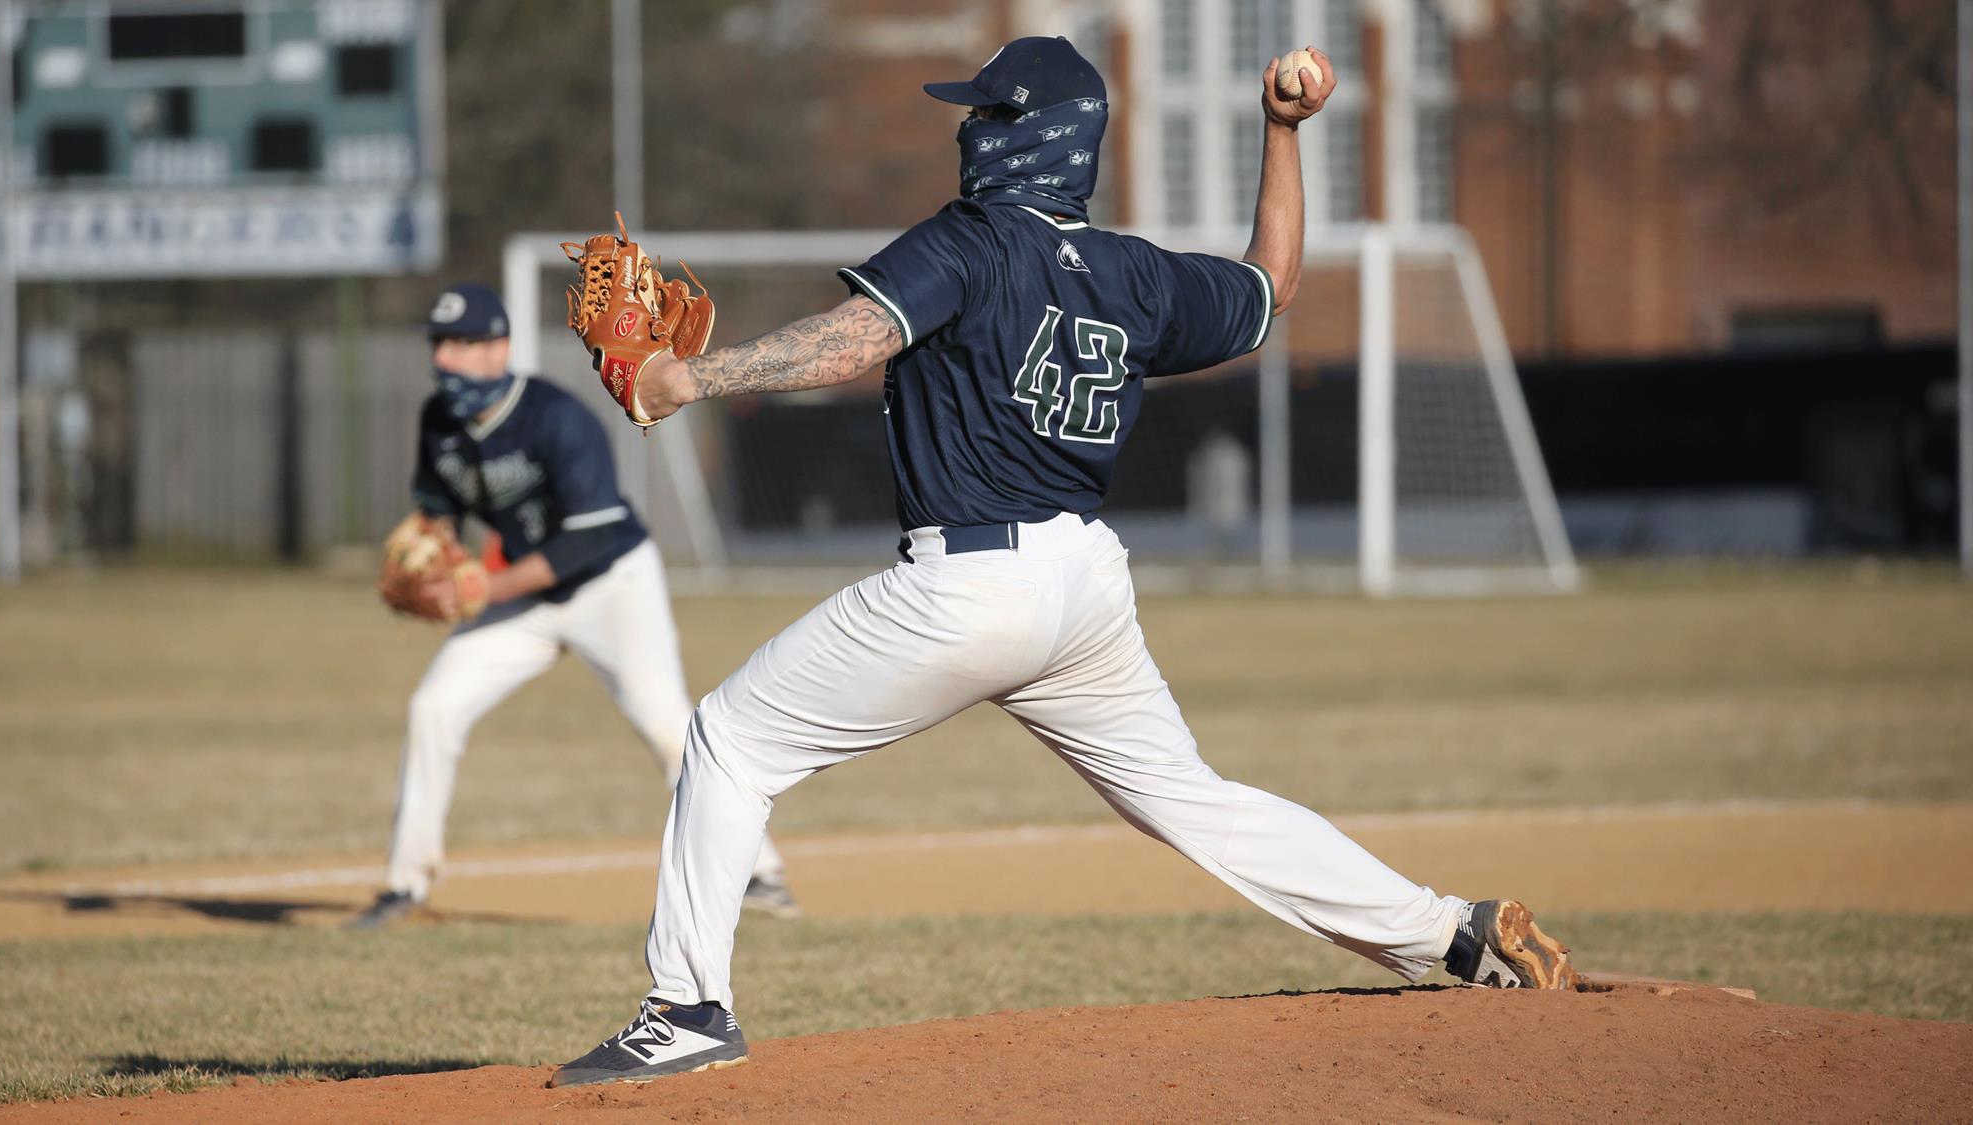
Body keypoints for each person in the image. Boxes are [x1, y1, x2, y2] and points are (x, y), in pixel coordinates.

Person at [549, 38, 1574, 1087]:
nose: (966, 128)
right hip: (1082, 587)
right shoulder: (1130, 273)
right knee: (1194, 799)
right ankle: (1451, 934)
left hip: (965, 586)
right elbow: (1271, 285)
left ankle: (684, 1010)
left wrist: (688, 380)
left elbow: (855, 339)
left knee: (727, 739)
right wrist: (1281, 132)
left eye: (984, 114)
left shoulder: (969, 240)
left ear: (1026, 135)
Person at [347, 282, 798, 929]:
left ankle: (763, 873)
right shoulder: (439, 424)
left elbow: (584, 538)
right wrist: (432, 556)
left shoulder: (556, 417)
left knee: (666, 724)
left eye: (465, 343)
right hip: (525, 594)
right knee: (434, 709)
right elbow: (438, 512)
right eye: (440, 343)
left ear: (499, 347)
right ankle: (404, 885)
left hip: (611, 583)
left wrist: (479, 588)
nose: (447, 357)